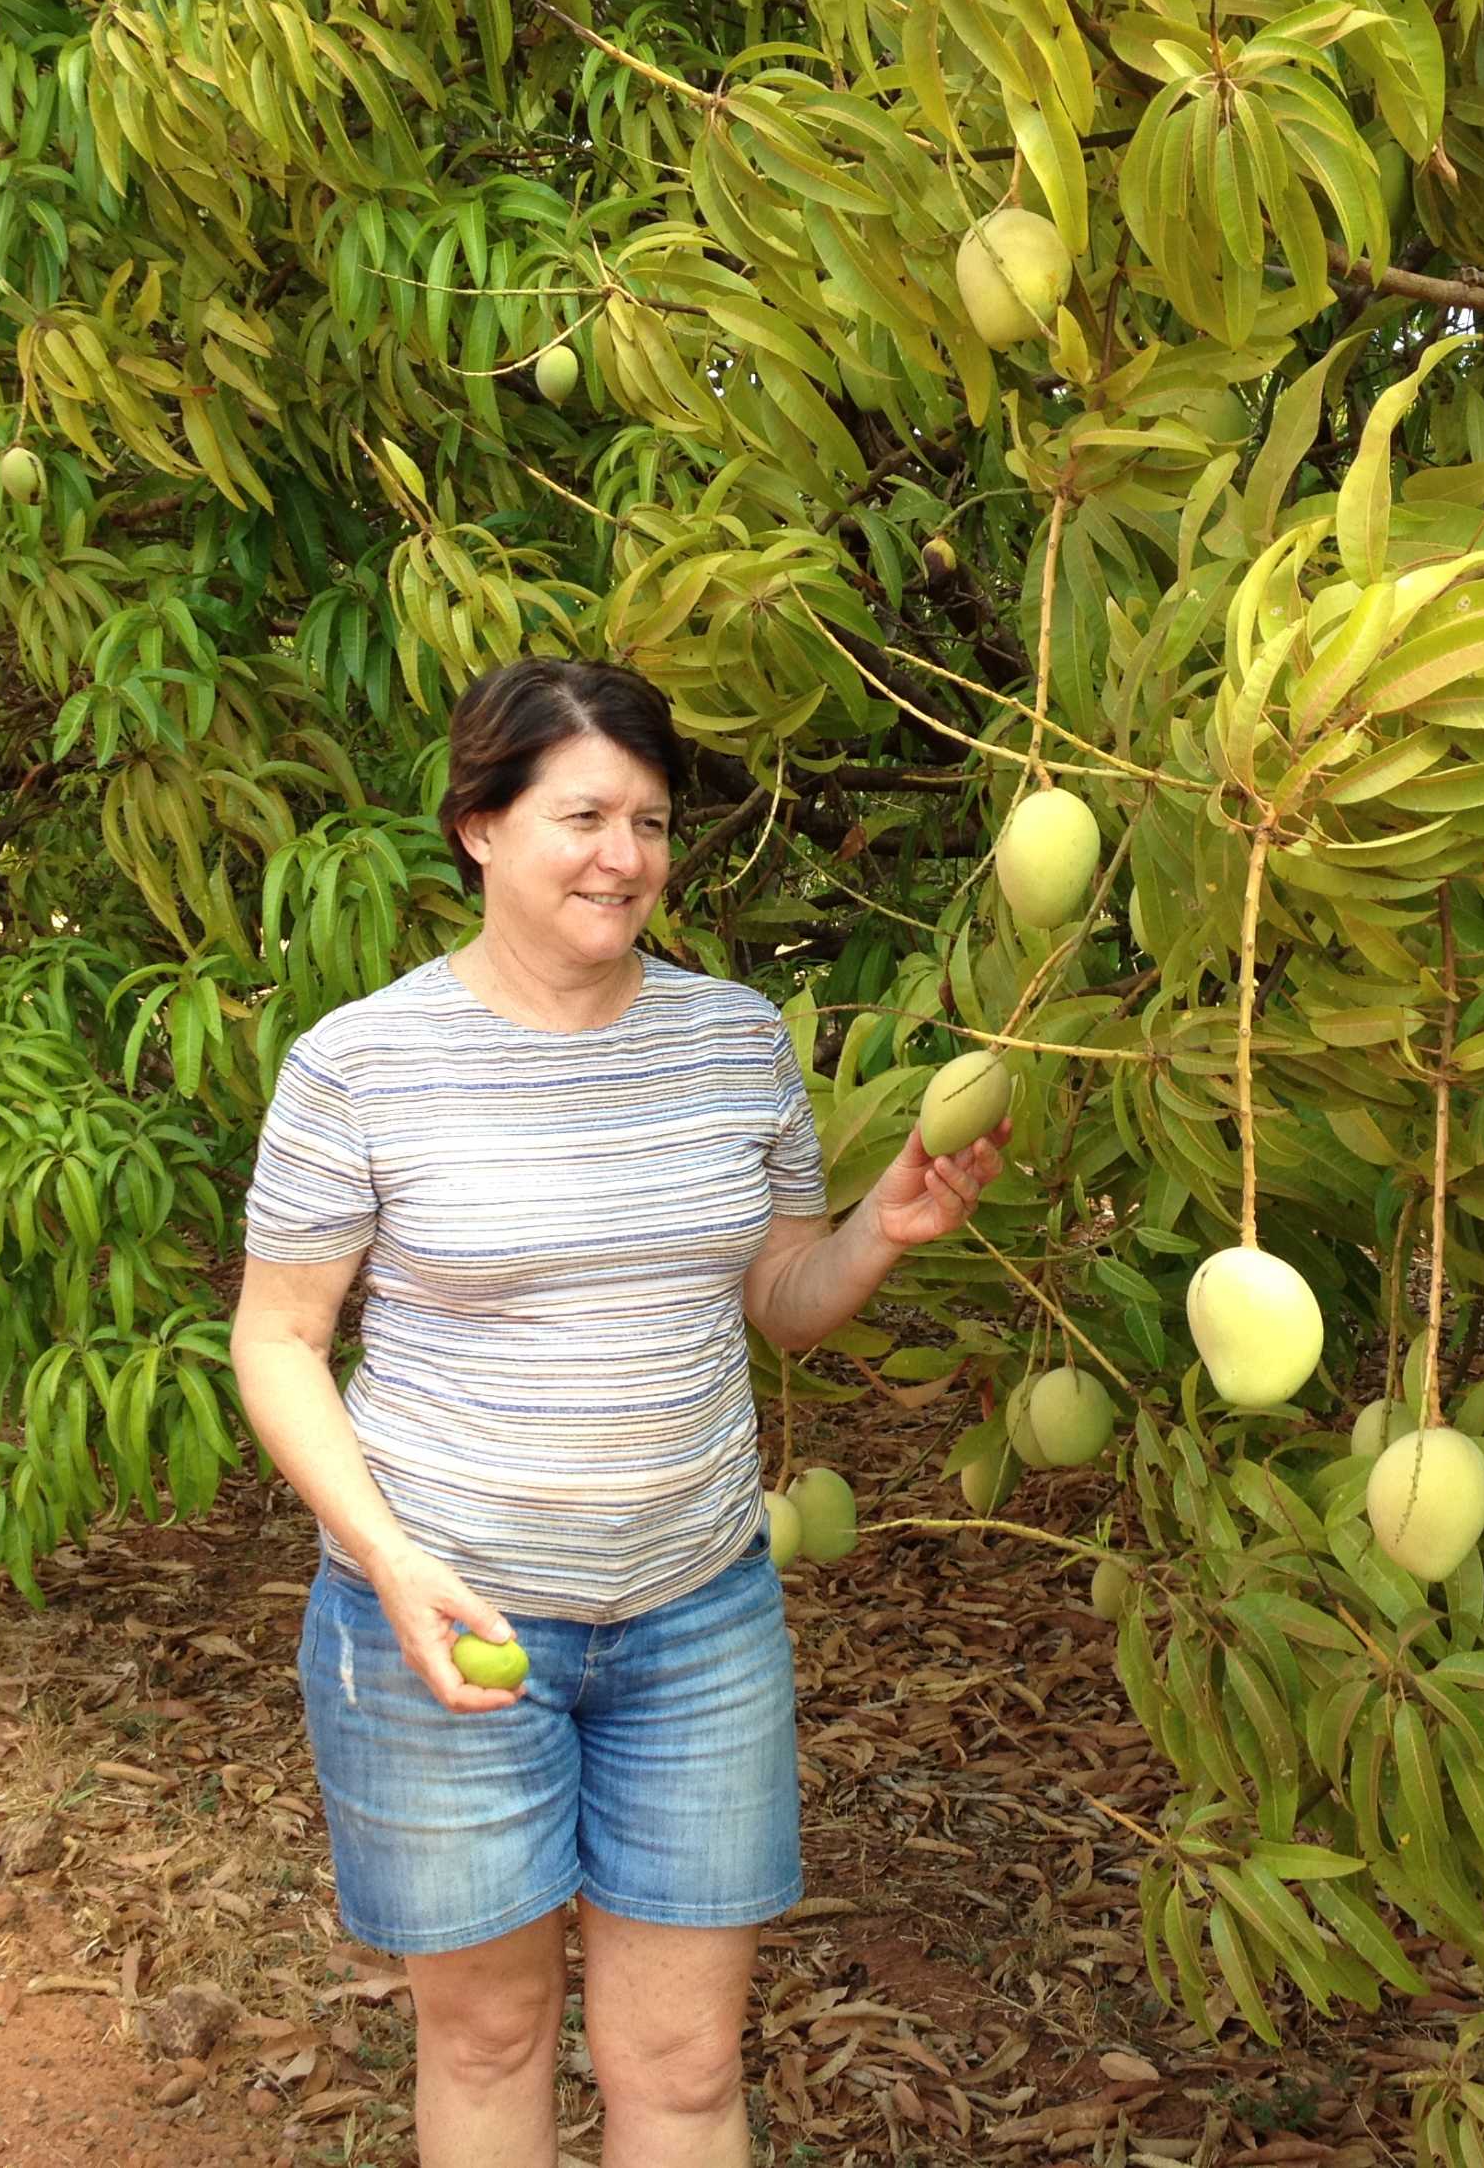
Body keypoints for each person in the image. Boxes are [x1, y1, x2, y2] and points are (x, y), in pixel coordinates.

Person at [229, 654, 1009, 2168]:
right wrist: (389, 1560)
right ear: (480, 826)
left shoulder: (735, 1041)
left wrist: (877, 1237)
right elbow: (277, 1338)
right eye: (584, 814)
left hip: (693, 1619)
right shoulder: (362, 1062)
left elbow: (776, 1291)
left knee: (686, 2064)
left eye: (650, 822)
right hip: (447, 1619)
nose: (625, 856)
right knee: (489, 2035)